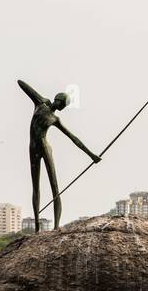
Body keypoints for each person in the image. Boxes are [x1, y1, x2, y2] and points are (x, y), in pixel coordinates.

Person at [18, 79, 100, 232]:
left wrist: (91, 155)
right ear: (57, 100)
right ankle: (37, 228)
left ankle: (56, 227)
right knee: (35, 188)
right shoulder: (40, 104)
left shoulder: (55, 119)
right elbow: (21, 83)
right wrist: (39, 97)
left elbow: (73, 138)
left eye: (63, 105)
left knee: (54, 187)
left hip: (44, 147)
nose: (60, 107)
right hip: (33, 148)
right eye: (61, 103)